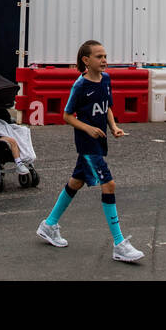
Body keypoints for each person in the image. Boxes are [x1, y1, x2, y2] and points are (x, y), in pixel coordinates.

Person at [36, 40, 145, 262]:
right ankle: (119, 244)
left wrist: (113, 127)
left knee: (76, 182)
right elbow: (67, 116)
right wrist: (88, 128)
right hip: (87, 145)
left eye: (105, 56)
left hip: (99, 142)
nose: (104, 60)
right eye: (99, 56)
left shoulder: (106, 79)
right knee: (109, 184)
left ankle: (49, 225)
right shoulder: (80, 86)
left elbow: (107, 107)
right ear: (86, 60)